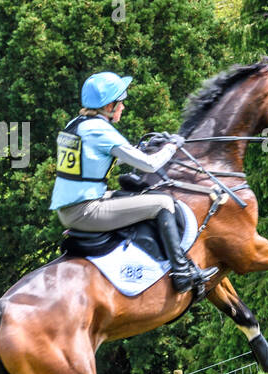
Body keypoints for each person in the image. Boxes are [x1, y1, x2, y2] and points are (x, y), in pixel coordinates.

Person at [51, 72, 216, 293]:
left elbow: (99, 158)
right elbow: (150, 165)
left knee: (136, 197)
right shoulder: (100, 130)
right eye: (121, 102)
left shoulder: (77, 124)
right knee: (163, 204)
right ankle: (182, 274)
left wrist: (143, 148)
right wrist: (172, 146)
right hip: (86, 210)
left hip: (72, 207)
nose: (123, 107)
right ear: (109, 106)